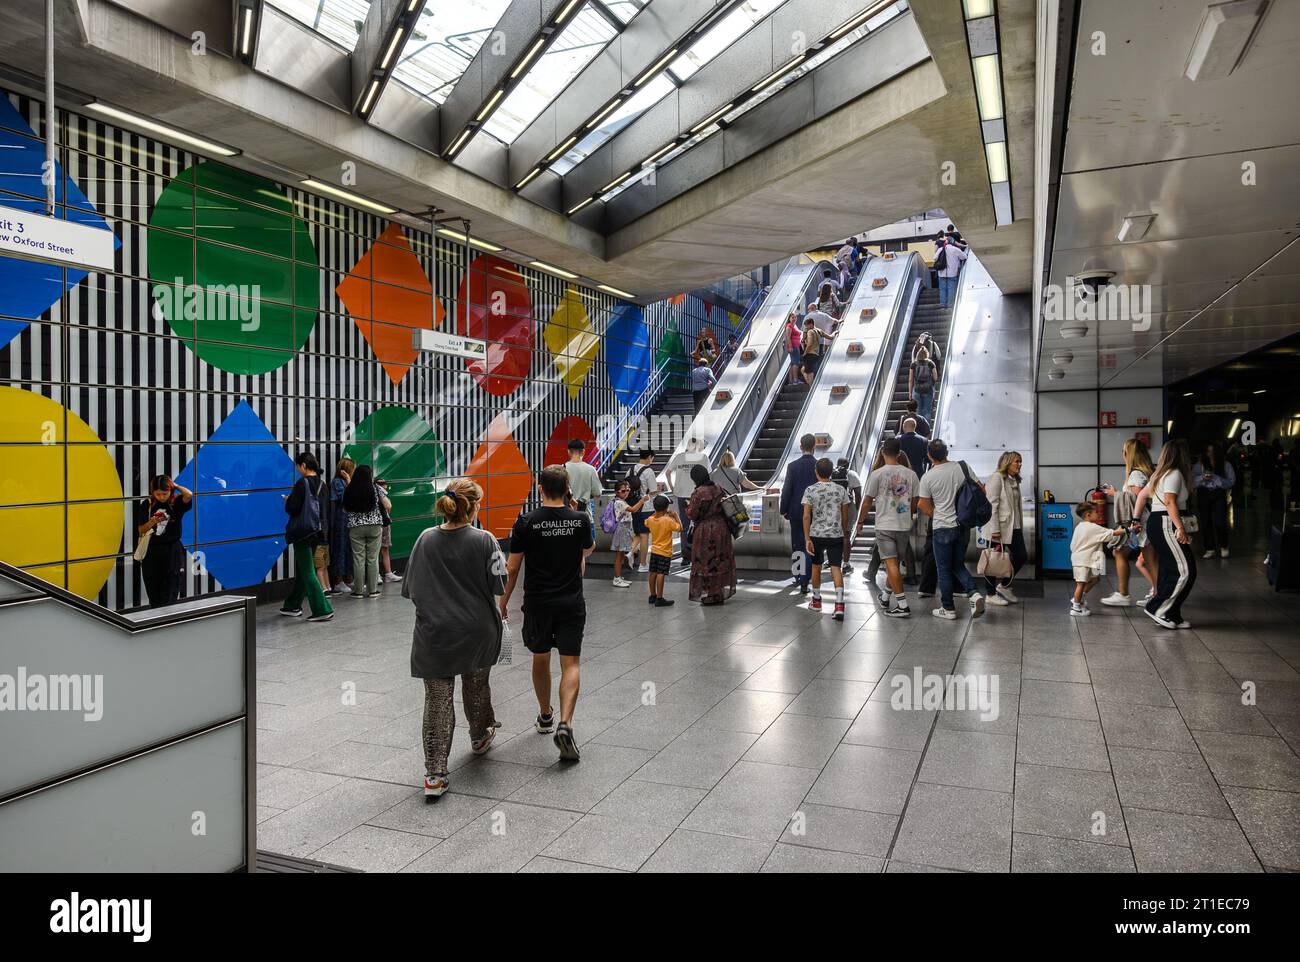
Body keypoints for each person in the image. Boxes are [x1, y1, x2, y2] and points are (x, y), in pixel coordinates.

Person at [403, 479, 504, 798]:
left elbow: (411, 589)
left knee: (436, 698)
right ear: (473, 506)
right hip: (477, 632)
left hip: (434, 635)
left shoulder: (424, 539)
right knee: (476, 687)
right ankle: (480, 736)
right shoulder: (485, 540)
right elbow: (499, 584)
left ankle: (434, 773)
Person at [500, 466, 594, 762]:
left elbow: (512, 568)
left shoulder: (526, 522)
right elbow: (586, 552)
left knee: (541, 658)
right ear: (568, 489)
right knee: (571, 663)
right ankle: (566, 722)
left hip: (538, 603)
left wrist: (502, 602)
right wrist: (575, 515)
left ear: (539, 489)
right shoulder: (580, 520)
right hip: (570, 603)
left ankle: (545, 715)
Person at [917, 438, 986, 620]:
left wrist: (937, 514)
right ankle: (973, 592)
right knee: (957, 564)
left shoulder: (928, 477)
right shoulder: (962, 467)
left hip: (942, 528)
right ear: (947, 452)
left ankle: (948, 608)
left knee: (944, 569)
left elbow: (923, 505)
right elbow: (981, 490)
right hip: (962, 526)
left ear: (929, 455)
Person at [1134, 439, 1197, 630]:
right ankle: (1158, 608)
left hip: (1159, 523)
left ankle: (1171, 613)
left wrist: (1136, 519)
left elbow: (1142, 496)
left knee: (1170, 568)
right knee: (1185, 570)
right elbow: (1170, 502)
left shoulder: (1159, 475)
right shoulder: (1174, 474)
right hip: (1166, 523)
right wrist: (1180, 528)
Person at [857, 438, 917, 618]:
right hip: (904, 525)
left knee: (891, 564)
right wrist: (907, 513)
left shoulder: (877, 474)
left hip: (884, 525)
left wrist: (860, 521)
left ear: (883, 452)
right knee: (895, 565)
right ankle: (884, 597)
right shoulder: (911, 474)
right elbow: (915, 501)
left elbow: (867, 500)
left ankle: (902, 605)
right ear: (899, 453)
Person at [1100, 438, 1158, 607]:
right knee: (1137, 556)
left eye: (1124, 451)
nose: (1122, 455)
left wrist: (1115, 493)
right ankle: (1155, 592)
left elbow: (1137, 498)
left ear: (1129, 454)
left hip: (1140, 524)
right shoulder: (1146, 472)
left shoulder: (1135, 474)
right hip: (1145, 523)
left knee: (1144, 558)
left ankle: (1127, 594)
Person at [280, 452, 334, 623]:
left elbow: (294, 508)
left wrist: (288, 500)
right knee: (305, 569)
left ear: (303, 465)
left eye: (298, 466)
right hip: (318, 532)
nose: (298, 469)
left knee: (308, 571)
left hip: (303, 532)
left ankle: (322, 609)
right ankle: (292, 604)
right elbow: (325, 509)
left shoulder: (302, 483)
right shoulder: (323, 484)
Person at [802, 457, 852, 620]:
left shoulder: (810, 490)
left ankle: (816, 601)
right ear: (831, 472)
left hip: (816, 534)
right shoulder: (840, 490)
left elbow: (806, 516)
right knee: (835, 568)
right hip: (835, 535)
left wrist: (807, 537)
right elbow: (845, 516)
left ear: (816, 472)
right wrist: (844, 532)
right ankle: (839, 605)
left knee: (816, 567)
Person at [135, 474, 193, 609]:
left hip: (172, 550)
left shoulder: (175, 503)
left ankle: (168, 622)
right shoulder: (147, 504)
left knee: (170, 593)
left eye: (165, 493)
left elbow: (189, 495)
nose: (161, 497)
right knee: (154, 594)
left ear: (170, 491)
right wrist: (152, 522)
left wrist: (176, 485)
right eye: (158, 494)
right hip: (152, 552)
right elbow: (141, 530)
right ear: (152, 492)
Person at [687, 464, 737, 606]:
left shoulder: (698, 493)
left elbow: (692, 513)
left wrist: (687, 507)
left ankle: (709, 594)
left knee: (705, 562)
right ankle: (718, 593)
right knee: (719, 560)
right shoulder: (718, 488)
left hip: (705, 531)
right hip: (721, 528)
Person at [983, 451, 1027, 606]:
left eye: (1020, 461)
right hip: (998, 528)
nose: (1019, 464)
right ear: (1007, 462)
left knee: (1021, 556)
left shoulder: (1014, 480)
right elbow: (991, 505)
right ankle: (990, 594)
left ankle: (1004, 586)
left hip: (1013, 527)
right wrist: (994, 528)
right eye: (1017, 461)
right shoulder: (997, 478)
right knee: (993, 560)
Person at [1069, 500, 1126, 617]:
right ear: (1088, 515)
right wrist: (1129, 530)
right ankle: (1076, 608)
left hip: (1084, 559)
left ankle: (1079, 598)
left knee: (1095, 579)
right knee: (1081, 583)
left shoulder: (1079, 526)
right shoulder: (1092, 527)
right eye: (1096, 512)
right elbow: (1113, 533)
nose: (1099, 514)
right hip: (1083, 560)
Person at [780, 433, 819, 595]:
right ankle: (805, 580)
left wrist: (784, 509)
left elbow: (787, 489)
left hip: (796, 512)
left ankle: (797, 575)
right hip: (814, 513)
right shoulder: (819, 466)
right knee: (810, 545)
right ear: (814, 447)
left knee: (797, 543)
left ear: (801, 446)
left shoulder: (793, 466)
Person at [344, 464, 388, 598]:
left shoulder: (350, 489)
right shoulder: (376, 488)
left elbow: (345, 507)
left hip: (356, 526)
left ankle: (358, 591)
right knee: (373, 558)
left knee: (358, 559)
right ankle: (373, 590)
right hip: (375, 526)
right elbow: (387, 505)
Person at [665, 437, 708, 564]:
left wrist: (673, 488)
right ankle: (698, 555)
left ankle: (685, 556)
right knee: (700, 524)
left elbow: (668, 473)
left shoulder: (679, 457)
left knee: (684, 526)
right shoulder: (703, 458)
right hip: (697, 495)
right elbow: (707, 476)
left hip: (681, 495)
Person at [1193, 441, 1235, 559]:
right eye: (1208, 451)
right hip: (1203, 494)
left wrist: (1217, 479)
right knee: (1205, 522)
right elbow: (1192, 481)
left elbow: (1231, 481)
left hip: (1219, 494)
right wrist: (1202, 478)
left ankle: (1223, 545)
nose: (1209, 454)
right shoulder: (1199, 465)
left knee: (1220, 521)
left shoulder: (1226, 465)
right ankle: (1209, 548)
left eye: (1212, 451)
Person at [645, 495, 681, 607]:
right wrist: (676, 516)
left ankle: (652, 595)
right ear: (666, 508)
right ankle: (660, 598)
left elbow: (646, 522)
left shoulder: (650, 520)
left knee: (653, 573)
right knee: (661, 574)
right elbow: (680, 528)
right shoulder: (668, 520)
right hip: (665, 552)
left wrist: (656, 513)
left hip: (654, 551)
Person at [611, 480, 648, 588]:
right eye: (623, 491)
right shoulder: (620, 502)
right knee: (619, 555)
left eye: (628, 490)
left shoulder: (620, 501)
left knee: (621, 554)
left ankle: (618, 577)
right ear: (617, 492)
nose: (626, 492)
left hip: (624, 528)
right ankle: (616, 578)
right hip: (622, 529)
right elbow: (633, 509)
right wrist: (642, 501)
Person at [563, 438, 603, 532]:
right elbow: (598, 493)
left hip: (566, 516)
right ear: (583, 452)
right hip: (585, 515)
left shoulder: (562, 468)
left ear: (568, 452)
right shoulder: (591, 469)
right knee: (588, 546)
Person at [327, 457, 355, 594]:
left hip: (349, 520)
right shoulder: (337, 482)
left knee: (348, 549)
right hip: (341, 520)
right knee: (340, 549)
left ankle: (348, 577)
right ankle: (338, 580)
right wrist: (349, 482)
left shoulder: (346, 482)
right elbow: (345, 498)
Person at [629, 449, 659, 570]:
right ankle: (642, 564)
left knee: (637, 533)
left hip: (633, 506)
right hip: (646, 507)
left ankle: (630, 553)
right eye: (652, 458)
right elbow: (653, 490)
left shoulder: (630, 470)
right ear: (650, 457)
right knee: (645, 535)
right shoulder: (649, 471)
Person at [375, 478, 402, 584]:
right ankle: (378, 574)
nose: (384, 485)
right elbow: (388, 506)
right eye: (380, 484)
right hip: (379, 523)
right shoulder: (378, 494)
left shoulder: (381, 495)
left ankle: (387, 573)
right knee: (377, 550)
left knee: (384, 548)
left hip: (383, 523)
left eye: (384, 483)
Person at [934, 232, 967, 307]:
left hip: (941, 273)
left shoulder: (940, 249)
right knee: (951, 289)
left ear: (946, 242)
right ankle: (950, 305)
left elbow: (934, 258)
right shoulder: (955, 249)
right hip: (952, 273)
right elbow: (964, 257)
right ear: (953, 242)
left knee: (942, 289)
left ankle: (942, 303)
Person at [909, 345, 938, 425]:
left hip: (917, 390)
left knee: (918, 411)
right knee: (927, 411)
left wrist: (910, 393)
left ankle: (918, 430)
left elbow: (910, 379)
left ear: (917, 354)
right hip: (928, 390)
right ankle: (927, 432)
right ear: (927, 354)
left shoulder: (913, 364)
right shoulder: (931, 363)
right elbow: (935, 378)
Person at [800, 317, 825, 387]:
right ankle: (812, 383)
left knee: (806, 369)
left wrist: (805, 352)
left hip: (811, 352)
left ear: (810, 324)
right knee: (805, 369)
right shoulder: (818, 330)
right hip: (818, 348)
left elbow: (809, 343)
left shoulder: (809, 331)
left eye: (807, 326)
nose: (806, 327)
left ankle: (812, 384)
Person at [785, 312, 803, 385]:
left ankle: (791, 381)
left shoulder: (793, 326)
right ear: (789, 318)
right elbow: (788, 337)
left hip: (796, 345)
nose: (794, 319)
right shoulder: (789, 326)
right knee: (795, 363)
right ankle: (795, 380)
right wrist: (790, 346)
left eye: (795, 317)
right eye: (792, 317)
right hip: (794, 346)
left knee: (793, 363)